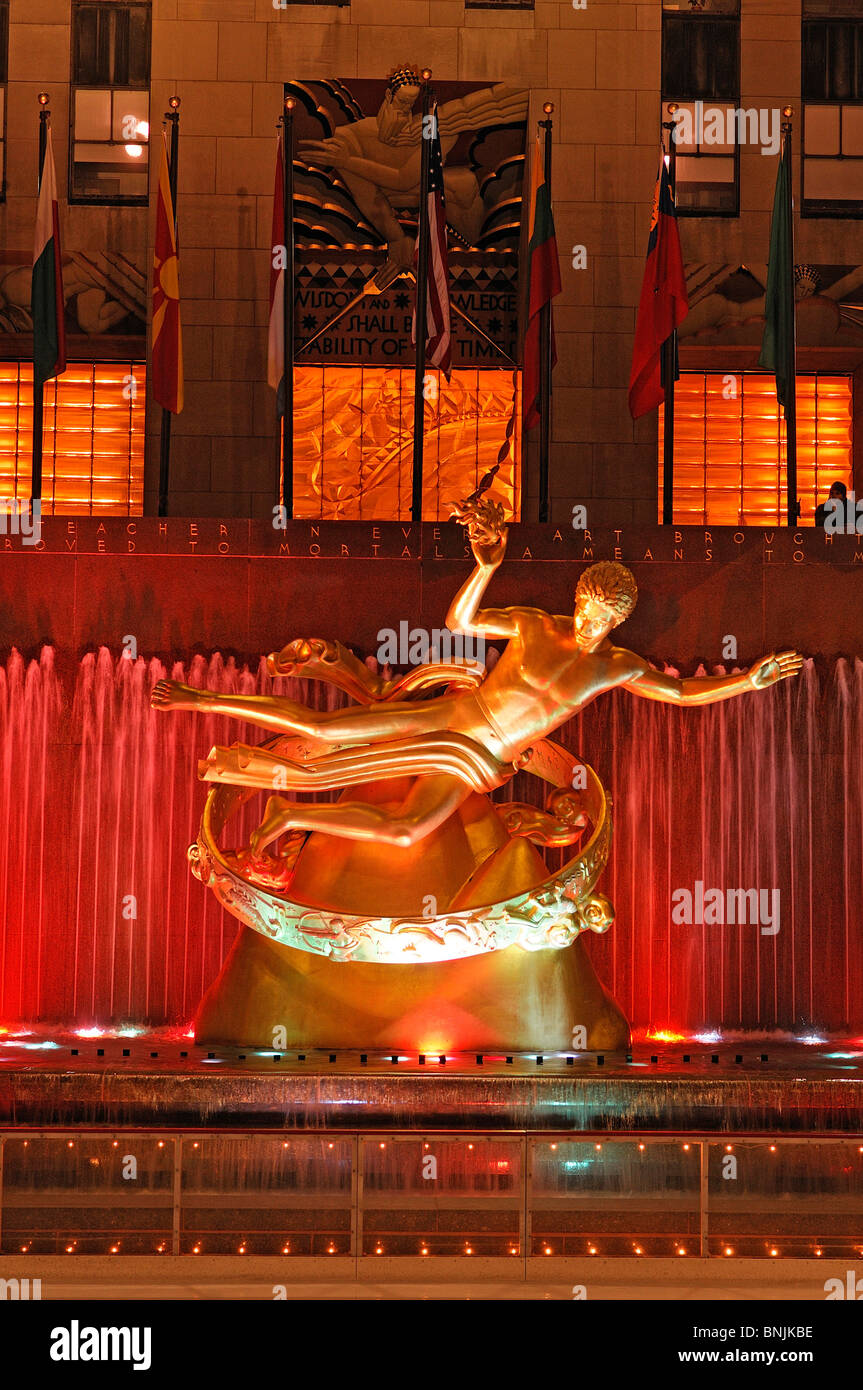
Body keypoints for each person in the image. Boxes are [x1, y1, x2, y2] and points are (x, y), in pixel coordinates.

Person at [151, 499, 803, 857]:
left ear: (617, 620)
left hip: (486, 761)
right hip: (453, 719)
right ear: (576, 599)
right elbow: (462, 617)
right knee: (326, 731)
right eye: (584, 608)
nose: (587, 623)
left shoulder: (614, 666)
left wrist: (748, 680)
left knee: (405, 833)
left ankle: (290, 815)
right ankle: (198, 701)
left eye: (602, 618)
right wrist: (486, 564)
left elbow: (681, 692)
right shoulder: (534, 625)